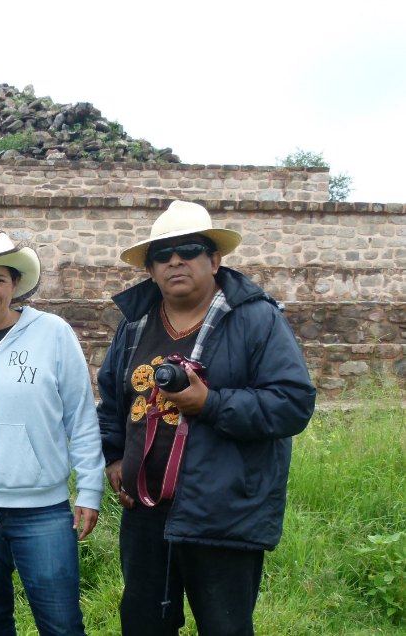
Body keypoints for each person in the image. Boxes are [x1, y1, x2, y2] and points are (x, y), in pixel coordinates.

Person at [97, 200, 317, 635]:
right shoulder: (135, 324)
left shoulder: (256, 319)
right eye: (162, 254)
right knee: (143, 624)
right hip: (145, 511)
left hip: (223, 512)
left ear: (214, 260)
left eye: (190, 249)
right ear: (151, 270)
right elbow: (112, 399)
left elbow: (292, 403)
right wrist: (115, 457)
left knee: (225, 627)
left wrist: (210, 404)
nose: (175, 261)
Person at [0, 228, 105, 636]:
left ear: (15, 284)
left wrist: (90, 488)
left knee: (62, 625)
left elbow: (80, 416)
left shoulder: (53, 334)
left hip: (41, 511)